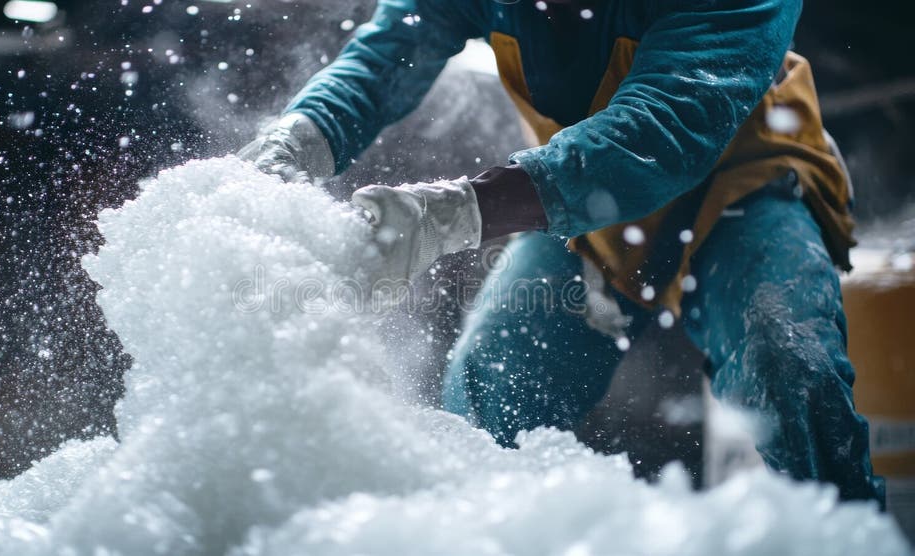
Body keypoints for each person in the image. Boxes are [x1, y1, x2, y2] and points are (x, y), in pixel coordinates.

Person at [238, 0, 885, 505]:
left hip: (741, 185)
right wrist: (300, 138)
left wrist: (451, 215)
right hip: (580, 207)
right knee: (493, 380)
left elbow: (663, 129)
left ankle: (843, 533)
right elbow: (385, 57)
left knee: (786, 357)